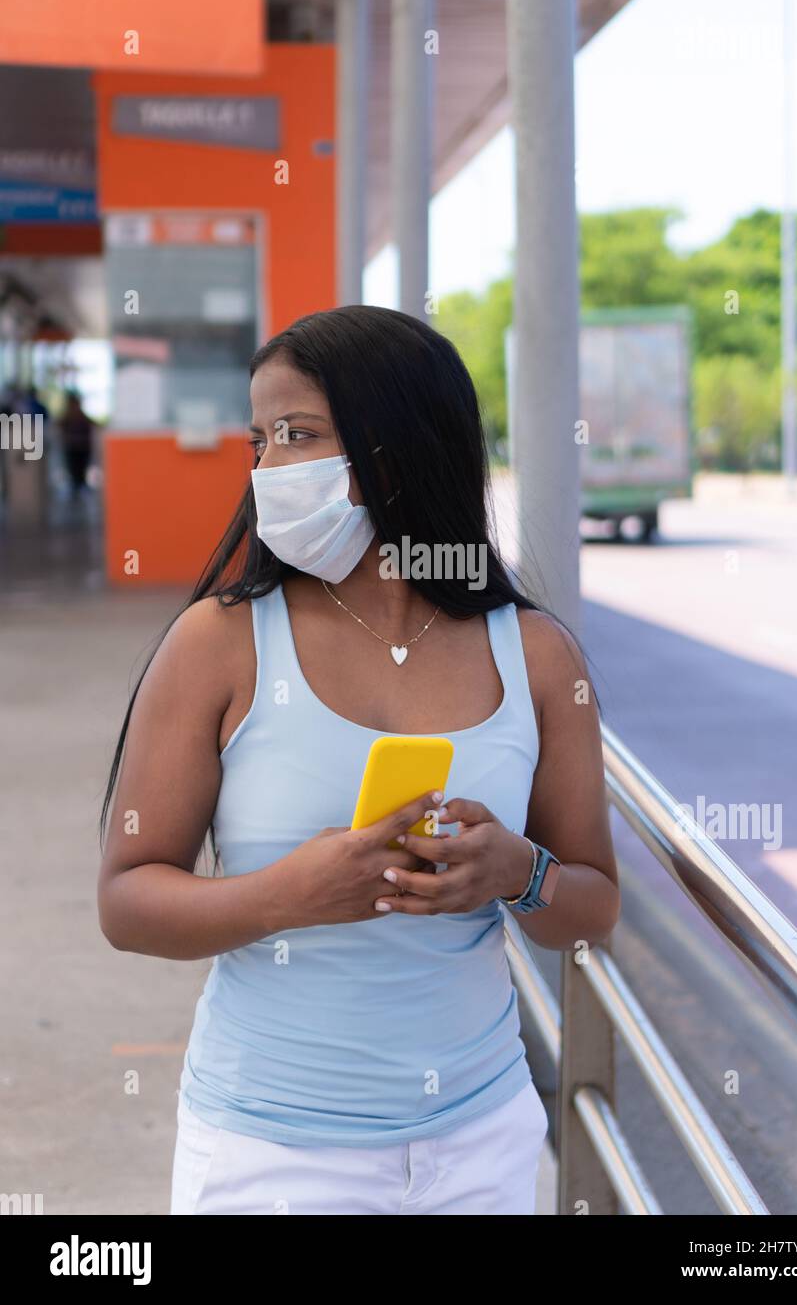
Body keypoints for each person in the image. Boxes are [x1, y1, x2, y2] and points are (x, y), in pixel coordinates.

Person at [97, 304, 618, 1216]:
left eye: (297, 434)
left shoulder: (536, 658)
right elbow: (128, 900)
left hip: (479, 1145)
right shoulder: (218, 645)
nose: (266, 468)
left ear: (395, 447)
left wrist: (516, 871)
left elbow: (592, 905)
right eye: (258, 439)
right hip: (270, 1152)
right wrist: (291, 894)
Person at [57, 390, 95, 495]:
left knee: (80, 467)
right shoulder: (68, 416)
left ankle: (80, 484)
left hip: (81, 446)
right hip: (73, 446)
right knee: (73, 467)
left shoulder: (80, 416)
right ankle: (76, 484)